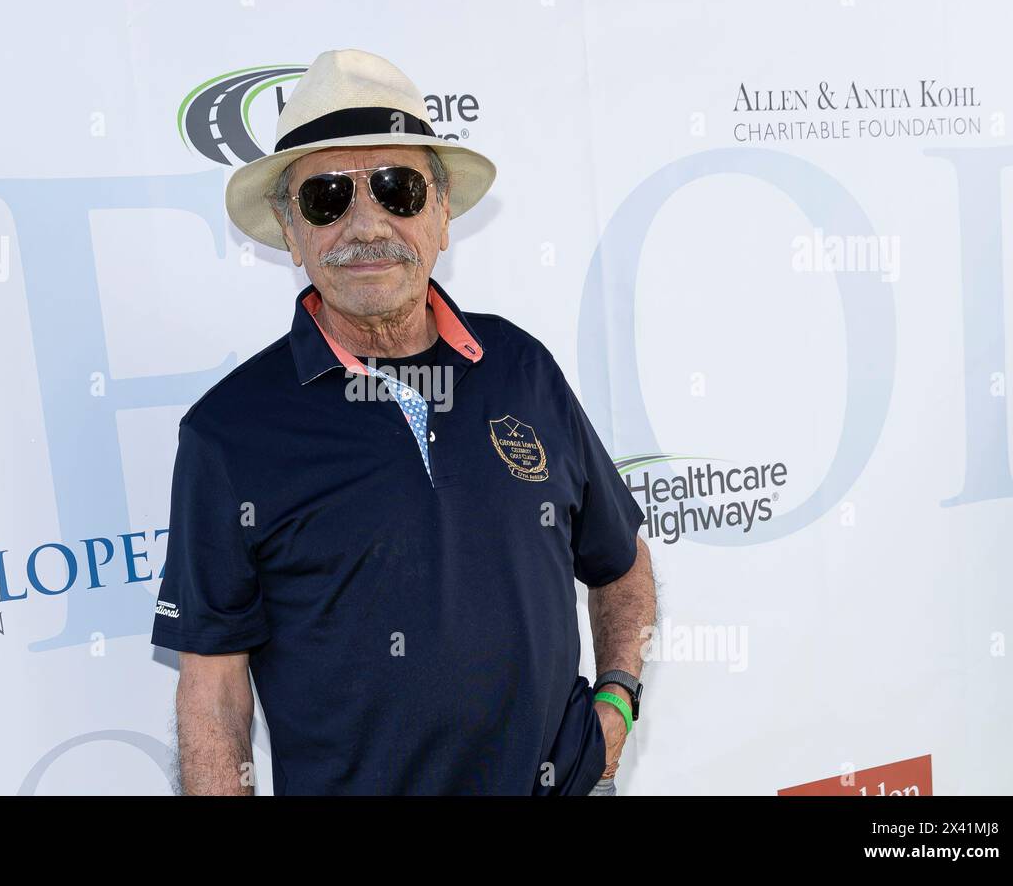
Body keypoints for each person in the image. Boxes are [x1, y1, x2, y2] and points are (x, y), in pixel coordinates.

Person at [151, 48, 656, 795]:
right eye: (326, 198)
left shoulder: (523, 367)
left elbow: (620, 561)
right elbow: (214, 690)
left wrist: (615, 706)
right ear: (292, 233)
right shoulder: (227, 435)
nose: (366, 223)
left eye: (397, 188)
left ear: (443, 214)